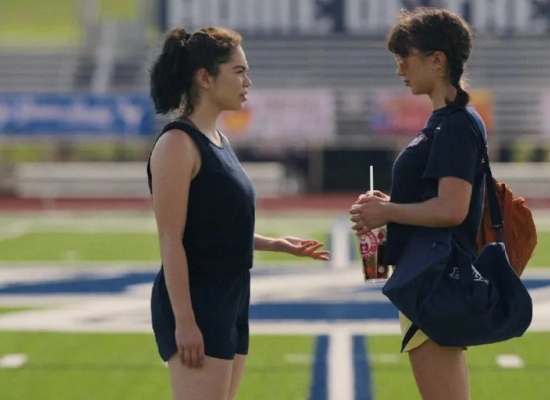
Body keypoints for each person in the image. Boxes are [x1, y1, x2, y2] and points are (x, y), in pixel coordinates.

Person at [147, 26, 329, 400]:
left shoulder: (220, 140)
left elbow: (215, 229)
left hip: (232, 296)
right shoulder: (177, 144)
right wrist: (185, 322)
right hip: (198, 301)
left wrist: (277, 244)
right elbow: (172, 239)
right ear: (205, 78)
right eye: (239, 71)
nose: (248, 81)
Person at [349, 7, 485, 400]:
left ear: (437, 60)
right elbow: (436, 202)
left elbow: (451, 209)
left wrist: (388, 211)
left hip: (436, 279)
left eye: (405, 58)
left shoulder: (456, 124)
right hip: (429, 276)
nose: (399, 69)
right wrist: (389, 204)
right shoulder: (445, 119)